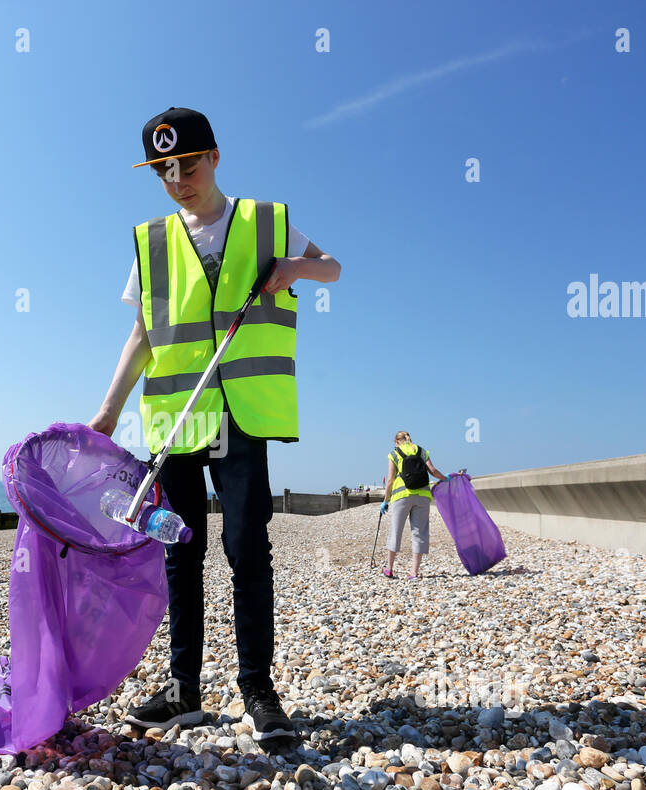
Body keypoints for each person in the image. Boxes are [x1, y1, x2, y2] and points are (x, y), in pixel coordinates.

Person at [88, 107, 341, 741]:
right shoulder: (151, 242)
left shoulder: (264, 223)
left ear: (216, 158)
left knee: (246, 549)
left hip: (241, 414)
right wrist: (109, 412)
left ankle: (259, 688)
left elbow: (333, 266)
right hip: (176, 418)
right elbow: (144, 333)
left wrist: (295, 269)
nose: (177, 178)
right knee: (181, 551)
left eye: (189, 164)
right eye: (163, 169)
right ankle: (184, 690)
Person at [380, 431, 448, 579]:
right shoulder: (422, 451)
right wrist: (445, 478)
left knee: (395, 531)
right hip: (423, 496)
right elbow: (433, 471)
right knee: (419, 533)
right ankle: (414, 573)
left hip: (402, 496)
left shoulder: (395, 453)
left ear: (396, 441)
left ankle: (389, 569)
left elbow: (390, 480)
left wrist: (386, 500)